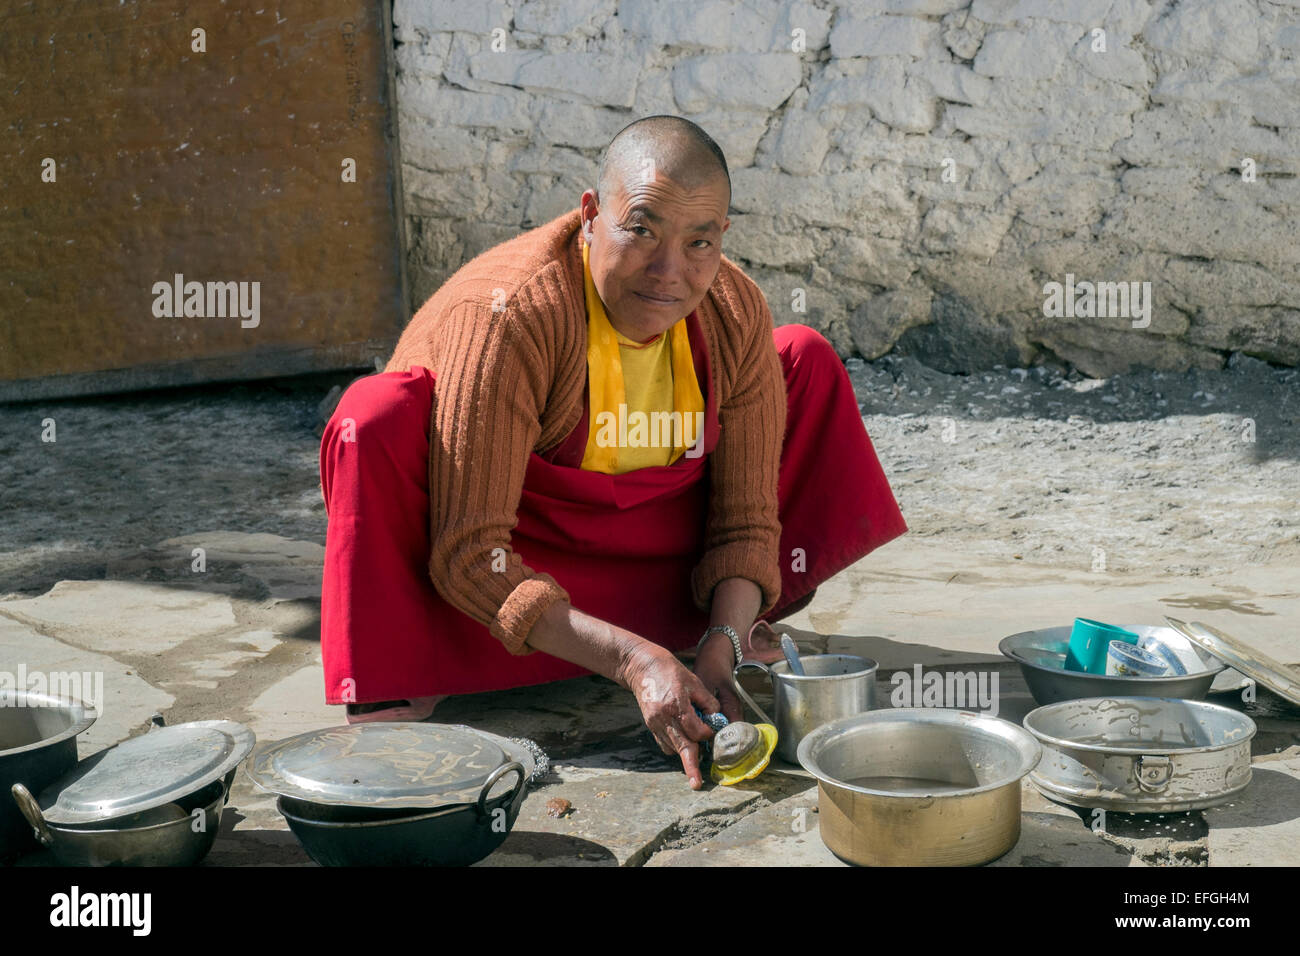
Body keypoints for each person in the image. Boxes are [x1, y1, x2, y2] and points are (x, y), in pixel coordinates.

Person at [319, 114, 906, 789]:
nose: (669, 272)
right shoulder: (513, 314)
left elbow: (746, 524)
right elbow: (471, 556)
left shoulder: (732, 308)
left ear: (723, 239)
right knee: (377, 416)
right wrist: (633, 662)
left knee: (800, 356)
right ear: (592, 214)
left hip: (652, 543)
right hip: (500, 548)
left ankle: (702, 628)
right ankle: (413, 668)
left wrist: (726, 643)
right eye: (642, 229)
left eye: (699, 242)